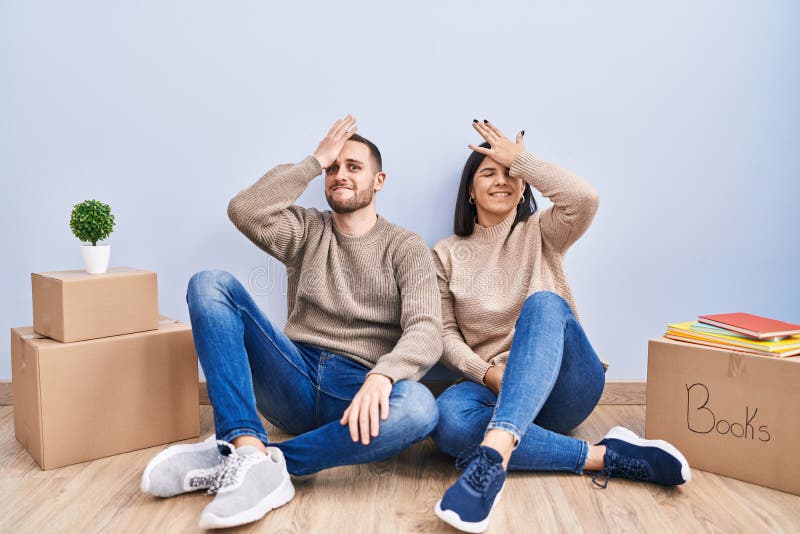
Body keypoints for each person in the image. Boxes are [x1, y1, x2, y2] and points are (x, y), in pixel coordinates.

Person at [140, 115, 443, 529]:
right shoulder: (305, 229)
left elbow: (426, 329)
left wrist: (384, 375)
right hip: (293, 373)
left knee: (420, 409)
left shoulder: (405, 247)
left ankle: (263, 460)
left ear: (379, 180)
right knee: (209, 283)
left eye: (353, 167)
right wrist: (314, 160)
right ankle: (247, 443)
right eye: (334, 168)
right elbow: (243, 209)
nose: (340, 175)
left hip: (357, 391)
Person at [430, 120, 690, 533]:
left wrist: (523, 161)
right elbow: (443, 335)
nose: (502, 180)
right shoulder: (446, 254)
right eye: (488, 172)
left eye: (510, 175)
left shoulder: (542, 231)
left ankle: (493, 452)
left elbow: (584, 198)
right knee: (446, 420)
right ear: (469, 190)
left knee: (545, 303)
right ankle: (607, 456)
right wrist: (489, 373)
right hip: (496, 388)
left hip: (566, 385)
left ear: (523, 187)